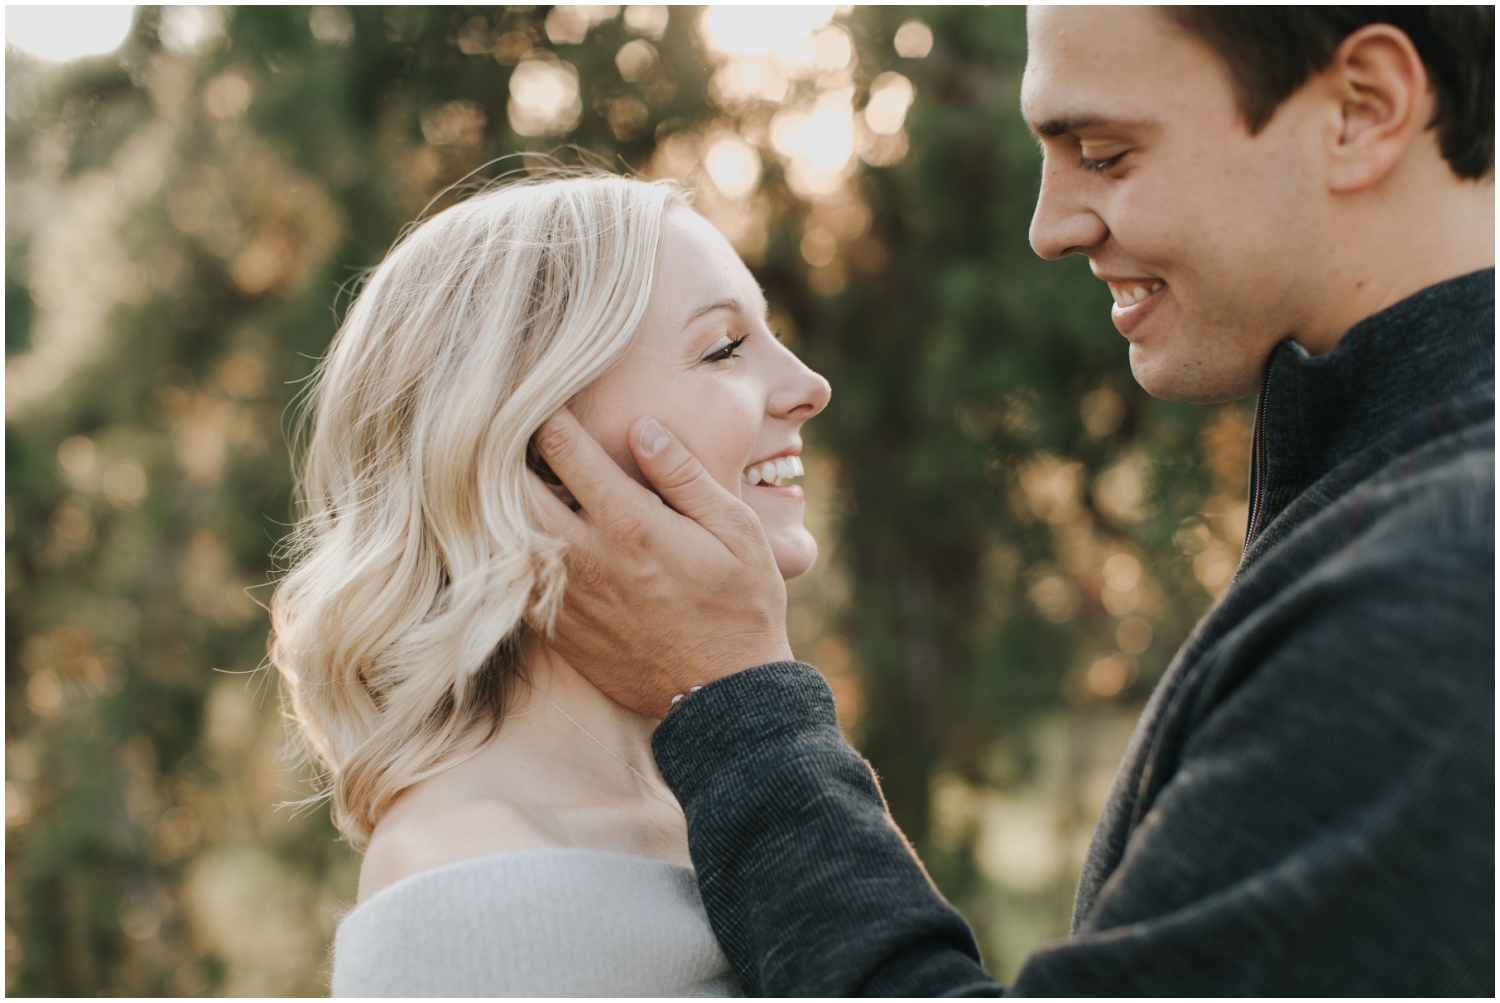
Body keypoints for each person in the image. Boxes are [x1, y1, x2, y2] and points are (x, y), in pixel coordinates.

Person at [527, 7, 1494, 995]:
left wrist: (734, 698)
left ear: (1363, 109)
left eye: (1105, 152)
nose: (1050, 228)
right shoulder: (1386, 515)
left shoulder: (1439, 588)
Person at [267, 173, 830, 996]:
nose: (808, 386)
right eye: (724, 348)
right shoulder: (471, 880)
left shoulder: (726, 809)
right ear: (538, 453)